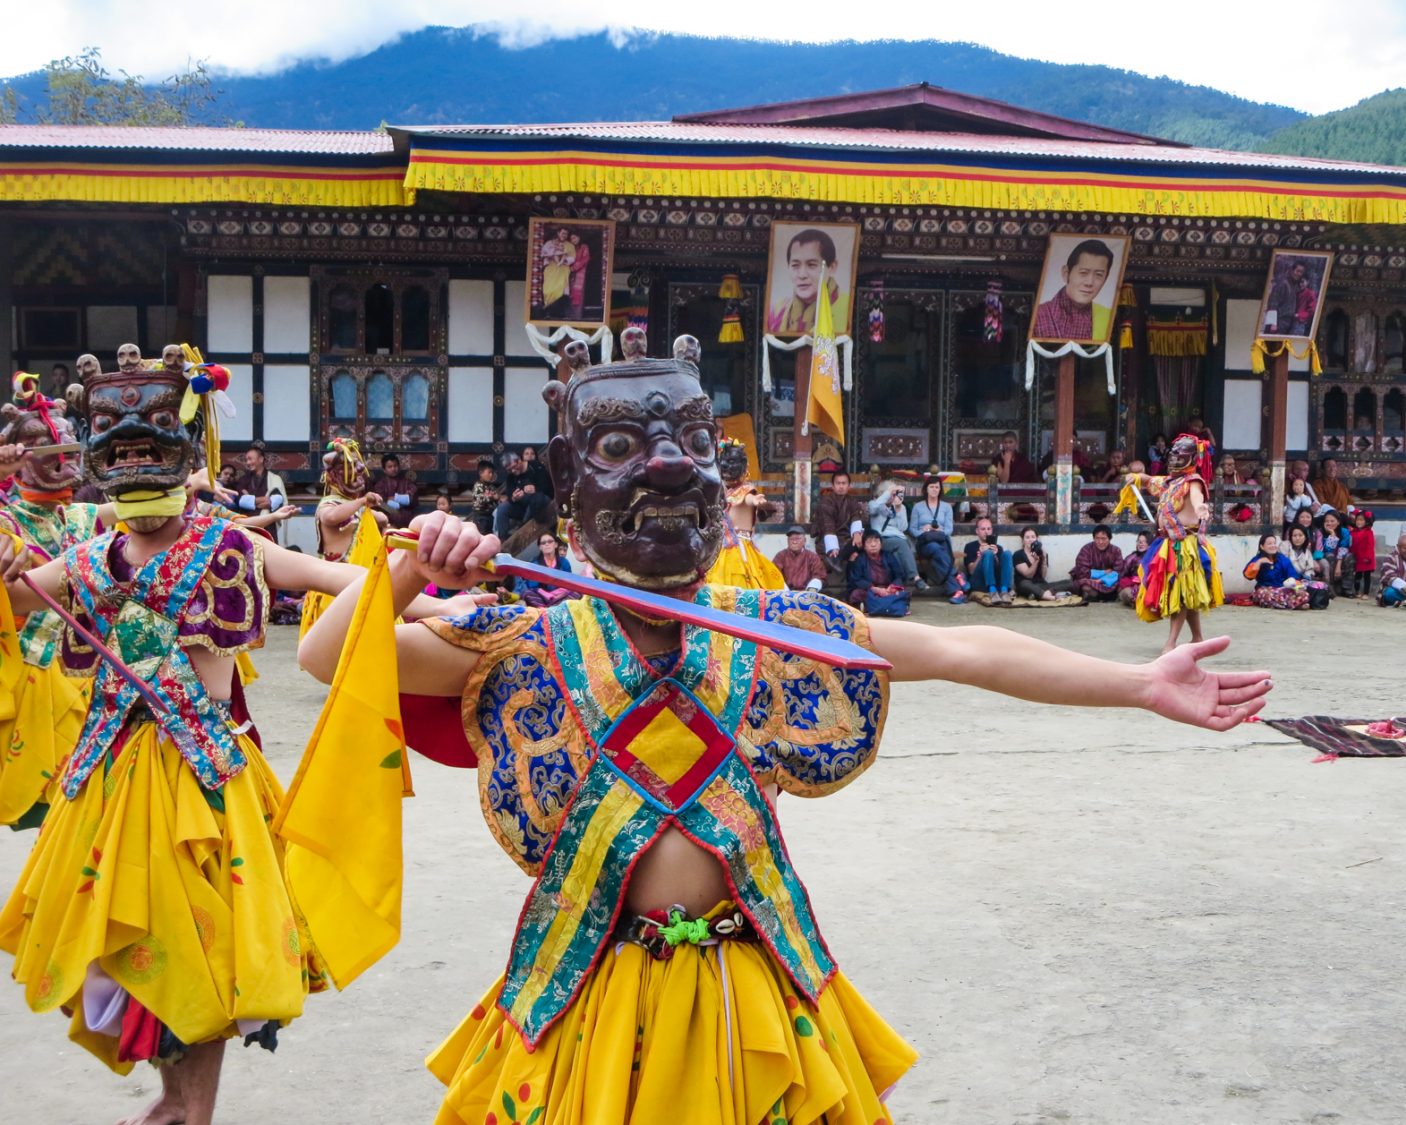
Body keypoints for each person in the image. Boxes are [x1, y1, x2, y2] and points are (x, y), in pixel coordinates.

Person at [293, 344, 1270, 1125]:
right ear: (569, 481)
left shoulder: (771, 634)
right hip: (600, 981)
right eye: (624, 450)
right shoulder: (525, 641)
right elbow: (330, 660)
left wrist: (1137, 682)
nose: (666, 466)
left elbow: (962, 650)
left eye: (686, 442)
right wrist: (418, 567)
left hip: (744, 982)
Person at [0, 346, 463, 1125]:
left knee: (204, 943)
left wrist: (439, 601)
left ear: (187, 453)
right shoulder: (85, 558)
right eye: (114, 445)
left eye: (153, 445)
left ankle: (189, 1109)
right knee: (131, 940)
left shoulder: (232, 548)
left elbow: (349, 585)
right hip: (109, 782)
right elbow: (16, 607)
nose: (135, 459)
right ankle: (176, 1099)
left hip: (203, 781)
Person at [0, 376, 112, 828]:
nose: (60, 451)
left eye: (65, 441)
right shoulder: (7, 520)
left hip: (91, 672)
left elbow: (143, 509)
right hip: (31, 675)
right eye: (41, 444)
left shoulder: (83, 516)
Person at [1128, 433, 1223, 653]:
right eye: (1173, 455)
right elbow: (1149, 480)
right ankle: (1198, 637)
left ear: (1191, 458)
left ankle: (1171, 642)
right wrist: (1135, 477)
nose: (1174, 459)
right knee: (1186, 593)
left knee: (1180, 593)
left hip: (1185, 546)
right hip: (1167, 544)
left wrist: (1200, 507)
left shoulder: (1193, 481)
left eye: (1179, 456)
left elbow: (1197, 497)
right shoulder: (1169, 482)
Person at [301, 437, 388, 635]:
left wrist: (374, 513)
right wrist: (362, 502)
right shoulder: (329, 503)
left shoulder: (356, 507)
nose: (358, 474)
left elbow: (382, 518)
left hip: (357, 579)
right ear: (334, 476)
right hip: (333, 581)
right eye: (351, 469)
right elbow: (330, 517)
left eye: (359, 468)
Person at [704, 438, 785, 590]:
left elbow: (750, 500)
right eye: (725, 464)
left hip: (739, 549)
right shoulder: (723, 493)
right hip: (720, 548)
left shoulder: (746, 492)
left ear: (744, 468)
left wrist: (758, 502)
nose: (727, 469)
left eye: (732, 464)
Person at [766, 228, 850, 336]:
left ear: (832, 267)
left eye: (811, 265)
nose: (802, 275)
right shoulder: (777, 311)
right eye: (795, 265)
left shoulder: (847, 307)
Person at [1033, 238, 1116, 341]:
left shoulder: (1108, 317)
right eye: (1083, 273)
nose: (1089, 282)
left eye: (1099, 275)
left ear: (1106, 278)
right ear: (1066, 273)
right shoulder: (1039, 314)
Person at [908, 476, 962, 600]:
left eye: (937, 487)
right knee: (935, 548)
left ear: (940, 490)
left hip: (941, 539)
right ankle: (956, 576)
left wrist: (940, 530)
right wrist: (923, 530)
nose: (934, 489)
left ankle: (955, 590)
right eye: (931, 487)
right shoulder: (918, 507)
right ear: (926, 489)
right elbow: (912, 529)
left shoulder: (946, 507)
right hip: (925, 541)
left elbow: (949, 529)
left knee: (938, 556)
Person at [866, 479, 923, 590]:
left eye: (895, 494)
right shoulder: (875, 504)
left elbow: (902, 528)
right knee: (901, 544)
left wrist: (899, 509)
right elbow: (873, 509)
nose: (894, 496)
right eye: (892, 493)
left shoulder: (901, 507)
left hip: (898, 541)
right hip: (882, 540)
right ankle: (915, 577)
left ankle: (898, 587)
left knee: (897, 555)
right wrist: (888, 493)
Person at [811, 468, 864, 574]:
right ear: (832, 485)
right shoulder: (826, 502)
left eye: (844, 483)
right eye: (838, 483)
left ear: (849, 485)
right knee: (851, 552)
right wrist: (833, 547)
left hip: (847, 537)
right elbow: (827, 525)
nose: (841, 486)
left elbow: (856, 516)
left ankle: (839, 560)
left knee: (868, 538)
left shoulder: (852, 501)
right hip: (827, 538)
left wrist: (857, 533)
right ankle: (836, 559)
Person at [494, 449, 553, 541]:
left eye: (514, 467)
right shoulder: (511, 477)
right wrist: (513, 497)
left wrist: (535, 489)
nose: (513, 471)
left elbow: (548, 487)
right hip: (522, 506)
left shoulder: (535, 466)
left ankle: (523, 526)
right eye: (510, 470)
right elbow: (509, 494)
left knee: (536, 499)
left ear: (519, 460)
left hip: (540, 502)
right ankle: (502, 539)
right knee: (502, 508)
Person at [846, 532, 910, 616]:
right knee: (856, 594)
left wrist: (893, 587)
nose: (873, 545)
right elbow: (856, 579)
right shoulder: (860, 559)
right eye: (869, 542)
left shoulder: (889, 556)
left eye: (876, 541)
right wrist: (875, 589)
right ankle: (892, 606)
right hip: (870, 590)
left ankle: (871, 607)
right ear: (864, 546)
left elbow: (899, 575)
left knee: (902, 592)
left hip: (888, 589)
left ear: (881, 544)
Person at [1244, 534, 1311, 609]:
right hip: (1264, 589)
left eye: (1274, 543)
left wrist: (1297, 588)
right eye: (1269, 543)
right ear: (1262, 546)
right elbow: (1248, 575)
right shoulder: (1258, 559)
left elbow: (1292, 576)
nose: (1273, 545)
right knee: (1267, 596)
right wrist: (1259, 562)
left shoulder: (1282, 558)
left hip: (1281, 590)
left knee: (1304, 594)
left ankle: (1288, 604)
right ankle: (1294, 604)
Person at [515, 530, 576, 608]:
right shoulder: (535, 564)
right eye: (543, 543)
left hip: (560, 596)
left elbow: (569, 583)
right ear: (540, 547)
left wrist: (556, 594)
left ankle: (549, 609)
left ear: (556, 545)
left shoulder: (564, 562)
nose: (547, 544)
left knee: (576, 592)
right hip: (542, 598)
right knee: (527, 594)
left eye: (550, 541)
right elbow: (534, 587)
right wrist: (548, 595)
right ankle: (547, 610)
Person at [963, 515, 1015, 604]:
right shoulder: (970, 547)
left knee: (1007, 553)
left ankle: (1004, 591)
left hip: (996, 581)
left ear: (992, 530)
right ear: (977, 531)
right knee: (987, 553)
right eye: (983, 529)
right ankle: (992, 591)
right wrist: (981, 555)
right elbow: (971, 571)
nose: (986, 532)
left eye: (988, 529)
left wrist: (995, 556)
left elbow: (1000, 570)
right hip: (978, 582)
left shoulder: (998, 548)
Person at [1013, 525, 1072, 601]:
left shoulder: (1041, 553)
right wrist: (1036, 561)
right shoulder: (1018, 555)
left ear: (1037, 539)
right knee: (1025, 584)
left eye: (1033, 537)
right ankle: (1049, 597)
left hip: (1040, 585)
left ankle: (1041, 594)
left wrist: (1043, 559)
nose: (1030, 540)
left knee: (1069, 583)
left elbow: (1043, 576)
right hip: (1025, 585)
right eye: (1027, 537)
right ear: (1023, 540)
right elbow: (1028, 575)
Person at [231, 442, 287, 519]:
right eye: (246, 460)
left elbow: (278, 500)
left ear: (261, 459)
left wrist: (251, 501)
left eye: (250, 459)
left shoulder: (274, 478)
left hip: (268, 523)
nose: (247, 462)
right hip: (248, 522)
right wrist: (263, 499)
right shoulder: (243, 479)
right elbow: (240, 500)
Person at [1070, 524, 1124, 601]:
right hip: (1090, 581)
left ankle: (1100, 597)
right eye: (1097, 538)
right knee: (1085, 586)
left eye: (1103, 538)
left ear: (1109, 538)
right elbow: (1082, 570)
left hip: (1109, 581)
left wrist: (1101, 580)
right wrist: (1104, 572)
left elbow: (1118, 572)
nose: (1100, 542)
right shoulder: (1086, 549)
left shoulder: (1116, 551)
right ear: (1094, 538)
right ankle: (1104, 597)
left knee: (1120, 585)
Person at [771, 525, 827, 592]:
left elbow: (820, 575)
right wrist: (784, 591)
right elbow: (773, 575)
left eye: (798, 539)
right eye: (791, 539)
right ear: (787, 541)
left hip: (807, 593)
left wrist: (812, 588)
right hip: (786, 593)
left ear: (804, 541)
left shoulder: (812, 557)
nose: (794, 542)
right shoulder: (780, 556)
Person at [372, 452, 416, 530]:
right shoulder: (380, 485)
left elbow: (411, 499)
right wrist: (401, 503)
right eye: (390, 467)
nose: (393, 468)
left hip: (408, 524)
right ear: (384, 470)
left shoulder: (407, 482)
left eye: (395, 466)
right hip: (389, 524)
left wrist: (394, 498)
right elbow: (381, 504)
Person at [1265, 260, 1307, 335]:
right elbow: (1273, 303)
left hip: (1289, 323)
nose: (1299, 274)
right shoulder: (1282, 284)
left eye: (1301, 272)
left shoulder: (1295, 286)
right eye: (1297, 271)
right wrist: (1273, 324)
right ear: (1292, 270)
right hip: (1279, 322)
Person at [1315, 509, 1350, 593]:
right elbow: (1328, 550)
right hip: (1328, 558)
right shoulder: (1320, 532)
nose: (1329, 523)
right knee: (1329, 555)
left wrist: (1338, 565)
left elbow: (1344, 548)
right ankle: (1331, 585)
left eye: (1332, 521)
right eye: (1327, 521)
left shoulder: (1344, 531)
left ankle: (1347, 587)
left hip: (1340, 559)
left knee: (1349, 556)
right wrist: (1332, 535)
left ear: (1338, 522)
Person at [466, 460, 502, 535]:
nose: (491, 475)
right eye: (489, 472)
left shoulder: (490, 486)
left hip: (489, 515)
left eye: (492, 473)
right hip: (480, 516)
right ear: (481, 473)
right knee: (482, 535)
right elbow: (480, 499)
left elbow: (497, 495)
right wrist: (492, 497)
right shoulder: (478, 486)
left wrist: (497, 497)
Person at [1117, 531, 1152, 607]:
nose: (1141, 544)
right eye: (1139, 541)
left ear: (1150, 544)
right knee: (1126, 593)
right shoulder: (1131, 558)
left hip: (1149, 586)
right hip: (1132, 586)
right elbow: (1122, 575)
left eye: (1144, 542)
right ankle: (1137, 602)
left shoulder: (1155, 557)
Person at [1349, 509, 1378, 599]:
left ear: (1367, 521)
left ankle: (1366, 593)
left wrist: (1368, 557)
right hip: (1358, 557)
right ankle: (1357, 591)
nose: (1359, 522)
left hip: (1366, 558)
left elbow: (1370, 545)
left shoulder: (1369, 532)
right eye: (1358, 519)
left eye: (1361, 520)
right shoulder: (1353, 532)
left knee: (1366, 577)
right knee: (1357, 576)